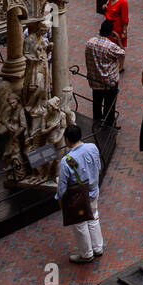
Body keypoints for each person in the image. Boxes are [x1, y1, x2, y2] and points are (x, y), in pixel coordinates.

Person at [56, 124, 104, 264]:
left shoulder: (66, 161)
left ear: (67, 140)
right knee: (93, 217)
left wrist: (59, 198)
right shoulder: (92, 147)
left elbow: (62, 185)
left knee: (80, 223)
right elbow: (99, 166)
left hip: (78, 197)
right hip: (94, 190)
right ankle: (98, 247)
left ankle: (86, 253)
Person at [84, 19, 125, 130]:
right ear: (111, 32)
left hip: (95, 80)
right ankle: (108, 126)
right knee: (109, 106)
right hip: (109, 82)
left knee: (96, 104)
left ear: (99, 30)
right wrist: (118, 39)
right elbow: (122, 53)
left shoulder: (90, 42)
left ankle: (96, 124)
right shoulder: (111, 46)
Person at [102, 0, 129, 72]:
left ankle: (121, 66)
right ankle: (113, 62)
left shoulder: (122, 2)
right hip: (109, 27)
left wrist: (124, 32)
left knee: (120, 47)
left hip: (118, 28)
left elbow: (125, 19)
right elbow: (109, 10)